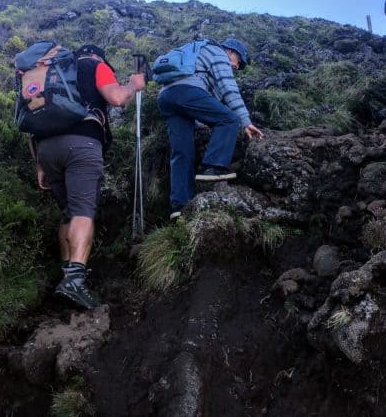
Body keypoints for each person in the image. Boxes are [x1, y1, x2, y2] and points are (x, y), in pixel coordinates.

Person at [33, 44, 146, 309]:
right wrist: (133, 85)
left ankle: (66, 274)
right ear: (98, 56)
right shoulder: (95, 65)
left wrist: (40, 163)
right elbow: (116, 98)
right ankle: (75, 281)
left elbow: (34, 117)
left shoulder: (52, 74)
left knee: (68, 212)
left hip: (47, 149)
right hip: (82, 144)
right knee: (83, 211)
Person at [157, 37, 264, 219]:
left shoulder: (198, 53)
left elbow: (207, 102)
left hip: (167, 96)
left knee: (182, 151)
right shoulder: (218, 53)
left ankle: (180, 206)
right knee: (230, 120)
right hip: (187, 91)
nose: (237, 67)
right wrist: (245, 121)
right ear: (231, 51)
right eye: (239, 61)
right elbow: (229, 89)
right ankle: (213, 166)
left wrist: (205, 121)